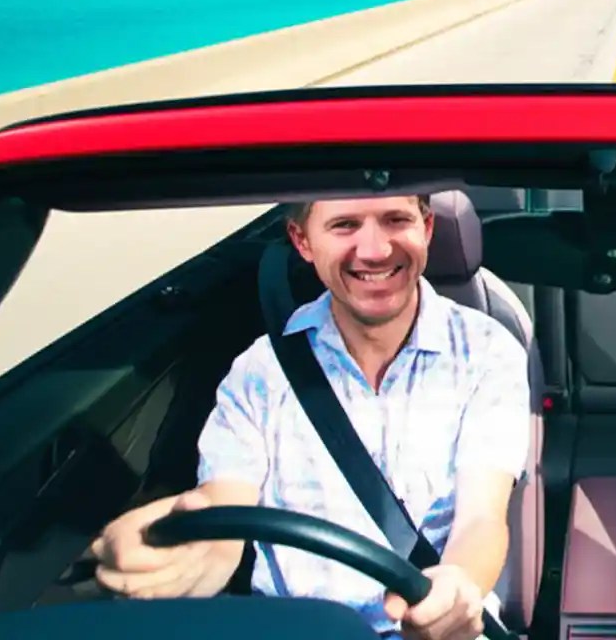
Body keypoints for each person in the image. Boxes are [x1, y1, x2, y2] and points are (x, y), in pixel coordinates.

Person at [89, 195, 531, 640]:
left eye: (396, 220)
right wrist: (184, 548)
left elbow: (482, 516)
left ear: (427, 228)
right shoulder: (260, 371)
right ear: (302, 241)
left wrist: (457, 587)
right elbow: (224, 503)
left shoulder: (487, 352)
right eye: (344, 225)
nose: (375, 249)